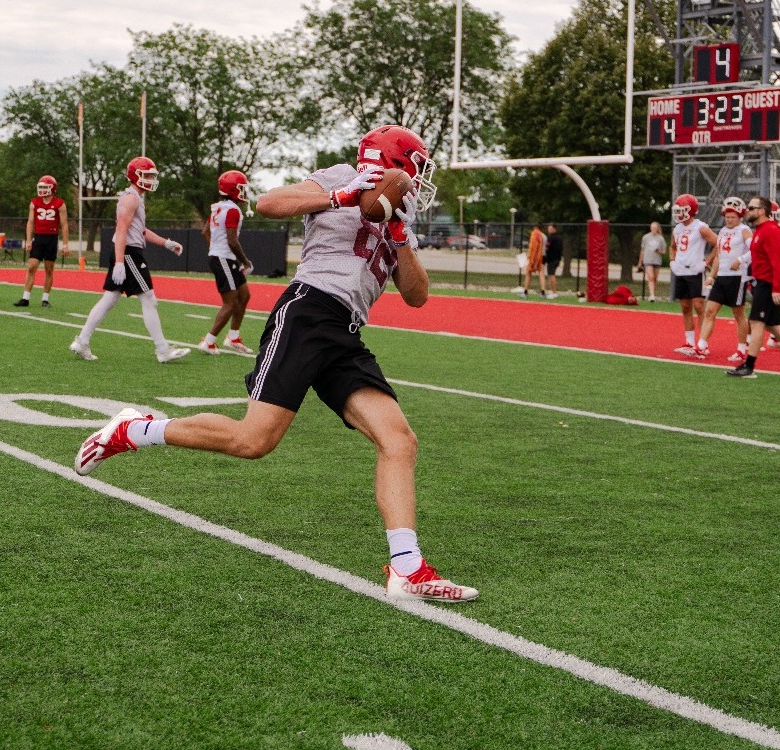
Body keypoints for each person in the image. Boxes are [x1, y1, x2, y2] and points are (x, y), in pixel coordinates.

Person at [73, 124, 478, 603]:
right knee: (253, 440)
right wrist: (345, 196)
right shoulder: (339, 176)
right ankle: (134, 430)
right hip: (307, 312)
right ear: (393, 160)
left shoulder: (401, 212)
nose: (419, 178)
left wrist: (398, 235)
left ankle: (406, 569)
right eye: (416, 166)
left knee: (399, 439)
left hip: (346, 330)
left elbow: (417, 295)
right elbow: (267, 203)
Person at [69, 157, 189, 363]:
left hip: (127, 251)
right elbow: (122, 230)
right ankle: (162, 350)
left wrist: (166, 243)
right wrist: (119, 262)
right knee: (149, 298)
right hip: (128, 253)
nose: (151, 179)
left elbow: (139, 230)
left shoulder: (135, 198)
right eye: (148, 175)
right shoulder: (131, 198)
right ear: (137, 176)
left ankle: (82, 341)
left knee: (110, 298)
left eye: (152, 176)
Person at [726, 196, 780, 379]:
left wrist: (777, 288)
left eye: (751, 207)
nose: (748, 210)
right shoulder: (759, 230)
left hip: (768, 284)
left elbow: (777, 262)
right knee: (772, 326)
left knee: (756, 322)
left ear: (762, 211)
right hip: (761, 283)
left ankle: (749, 366)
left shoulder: (770, 231)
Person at [198, 169, 256, 354]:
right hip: (224, 258)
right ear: (233, 189)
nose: (244, 192)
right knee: (230, 302)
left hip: (223, 257)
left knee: (244, 296)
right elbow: (232, 240)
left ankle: (233, 337)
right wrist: (245, 261)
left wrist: (215, 249)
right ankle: (208, 341)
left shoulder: (218, 207)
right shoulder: (232, 210)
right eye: (241, 188)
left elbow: (205, 232)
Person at [697, 197, 752, 362]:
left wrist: (741, 260)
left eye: (732, 216)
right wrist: (711, 276)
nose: (729, 219)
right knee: (709, 311)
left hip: (737, 278)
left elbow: (756, 250)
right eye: (727, 216)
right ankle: (701, 345)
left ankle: (742, 349)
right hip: (722, 277)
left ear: (740, 216)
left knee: (738, 314)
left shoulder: (744, 230)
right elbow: (719, 256)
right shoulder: (722, 231)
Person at [670, 194, 719, 356]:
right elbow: (673, 246)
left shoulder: (700, 227)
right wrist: (672, 261)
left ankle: (703, 342)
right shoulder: (677, 229)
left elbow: (717, 244)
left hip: (695, 271)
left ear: (691, 210)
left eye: (681, 210)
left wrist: (706, 262)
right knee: (685, 307)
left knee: (699, 305)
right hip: (681, 271)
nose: (678, 214)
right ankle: (689, 341)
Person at [14, 175, 69, 308]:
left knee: (49, 270)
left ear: (52, 188)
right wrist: (28, 240)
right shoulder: (34, 202)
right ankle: (25, 298)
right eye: (41, 187)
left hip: (51, 238)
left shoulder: (59, 204)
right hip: (38, 238)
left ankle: (45, 299)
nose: (42, 190)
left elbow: (64, 225)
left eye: (45, 187)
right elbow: (30, 222)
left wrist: (65, 244)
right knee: (31, 267)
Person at [512, 222, 546, 297]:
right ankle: (543, 291)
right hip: (541, 257)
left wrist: (532, 259)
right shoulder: (542, 235)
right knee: (541, 274)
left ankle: (526, 291)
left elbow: (533, 248)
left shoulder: (535, 234)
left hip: (534, 257)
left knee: (528, 273)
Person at [636, 222, 666, 301]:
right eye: (652, 227)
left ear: (657, 228)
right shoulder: (646, 237)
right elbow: (642, 250)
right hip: (648, 259)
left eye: (655, 228)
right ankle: (652, 295)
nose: (653, 229)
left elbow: (664, 251)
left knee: (655, 278)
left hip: (657, 260)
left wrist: (659, 251)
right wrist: (640, 262)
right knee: (651, 277)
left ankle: (653, 293)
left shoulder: (660, 238)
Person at [543, 223, 563, 298]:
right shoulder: (560, 238)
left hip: (552, 259)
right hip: (557, 259)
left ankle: (554, 292)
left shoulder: (551, 238)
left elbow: (547, 248)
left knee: (551, 275)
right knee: (551, 275)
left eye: (550, 229)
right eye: (548, 228)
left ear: (554, 229)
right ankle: (552, 291)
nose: (549, 230)